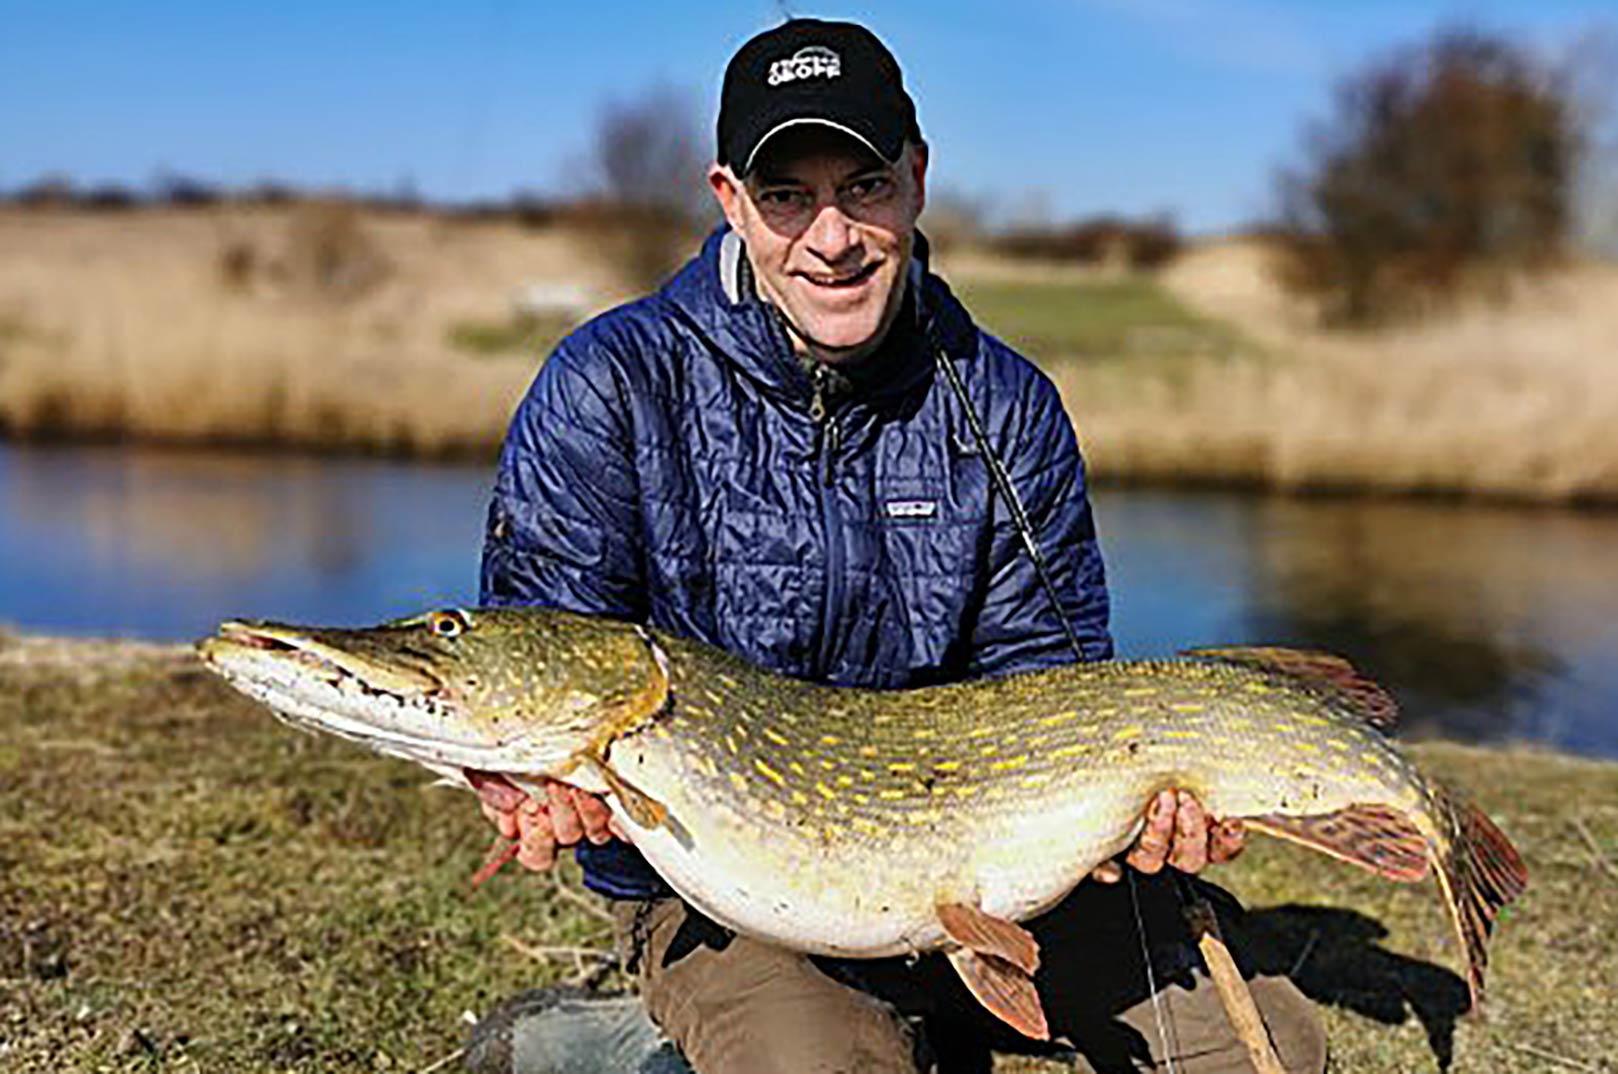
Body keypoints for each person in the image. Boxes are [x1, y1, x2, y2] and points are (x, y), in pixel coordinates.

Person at [467, 18, 1326, 1074]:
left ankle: (929, 1010)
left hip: (989, 867)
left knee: (1268, 1050)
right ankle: (608, 1047)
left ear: (915, 179)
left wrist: (1133, 815)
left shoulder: (1007, 406)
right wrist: (519, 776)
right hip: (732, 892)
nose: (831, 238)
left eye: (863, 186)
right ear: (729, 200)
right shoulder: (613, 382)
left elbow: (1048, 683)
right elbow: (538, 652)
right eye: (786, 197)